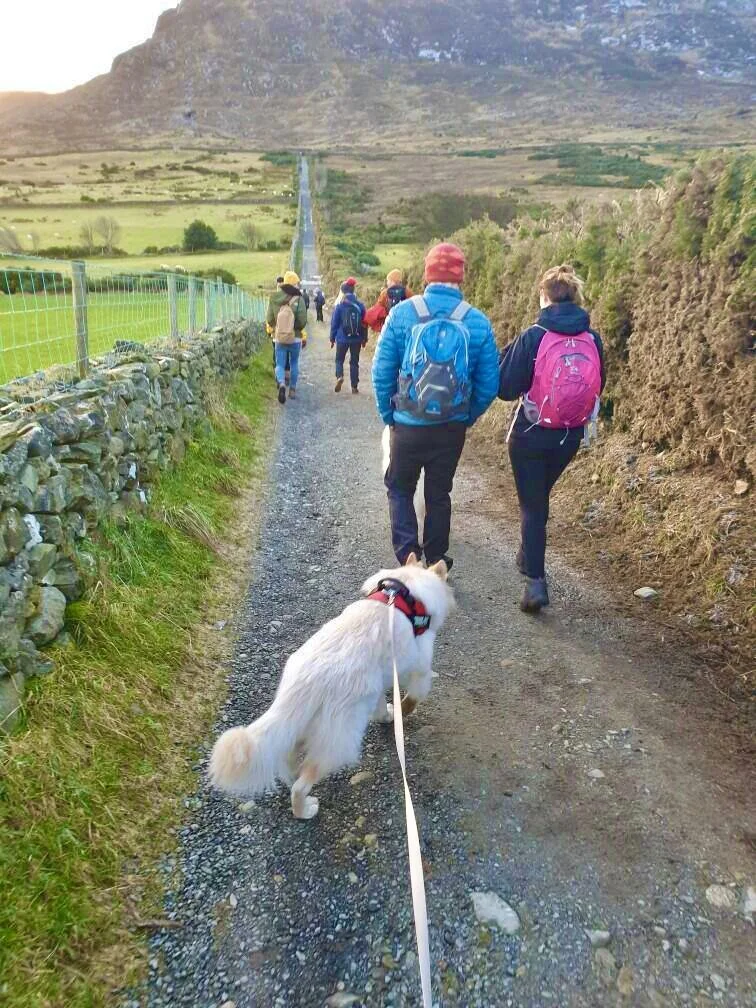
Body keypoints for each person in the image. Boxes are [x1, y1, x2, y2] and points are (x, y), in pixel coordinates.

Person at [372, 243, 499, 570]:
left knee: (399, 488)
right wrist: (466, 417)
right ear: (460, 276)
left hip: (408, 423)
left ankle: (408, 554)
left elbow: (382, 370)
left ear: (428, 274)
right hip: (451, 425)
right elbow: (489, 383)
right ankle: (437, 559)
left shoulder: (402, 313)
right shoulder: (477, 322)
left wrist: (391, 416)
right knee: (439, 494)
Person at [498, 264, 605, 613]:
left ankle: (536, 583)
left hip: (530, 432)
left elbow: (506, 388)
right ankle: (527, 553)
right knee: (538, 498)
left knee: (532, 506)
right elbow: (598, 382)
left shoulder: (534, 335)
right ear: (576, 297)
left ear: (544, 296)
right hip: (570, 435)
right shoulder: (593, 337)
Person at [266, 270, 308, 404]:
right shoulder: (299, 299)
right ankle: (293, 390)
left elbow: (269, 319)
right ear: (294, 283)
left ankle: (282, 383)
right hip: (295, 338)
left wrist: (278, 328)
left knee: (279, 363)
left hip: (279, 337)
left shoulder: (274, 298)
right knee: (294, 363)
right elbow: (303, 320)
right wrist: (296, 330)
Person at [330, 279, 367, 394]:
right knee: (354, 362)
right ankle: (354, 386)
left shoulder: (340, 306)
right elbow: (364, 323)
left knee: (339, 360)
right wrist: (364, 338)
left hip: (342, 338)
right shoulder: (360, 306)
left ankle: (339, 376)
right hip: (356, 338)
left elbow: (334, 323)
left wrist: (332, 338)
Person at [365, 268, 413, 334]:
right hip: (404, 326)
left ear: (392, 281)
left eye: (388, 280)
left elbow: (377, 309)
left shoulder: (385, 293)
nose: (387, 283)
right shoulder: (408, 292)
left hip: (390, 325)